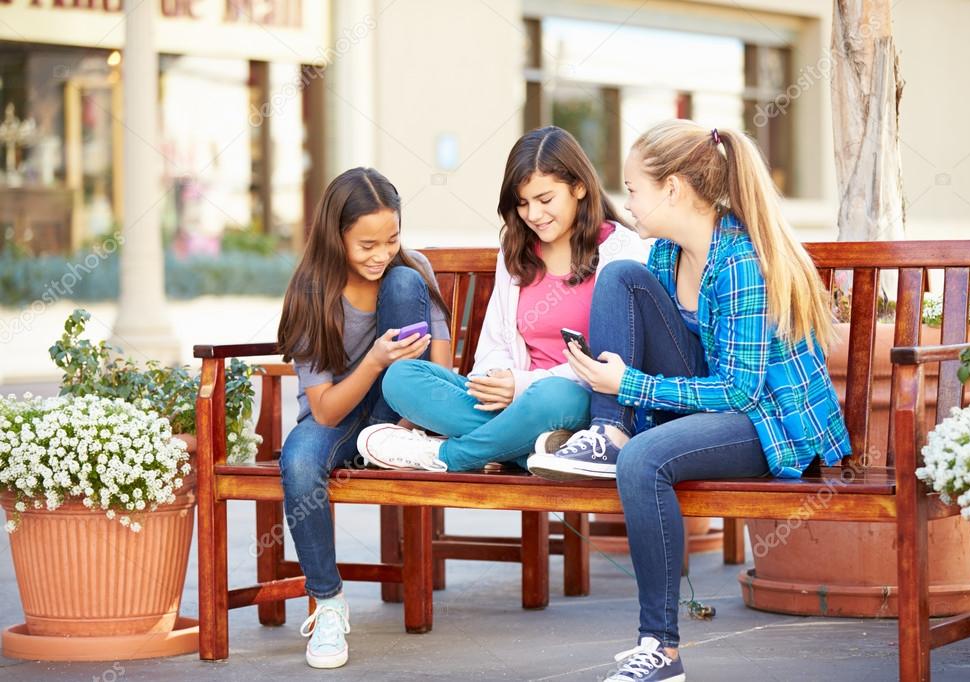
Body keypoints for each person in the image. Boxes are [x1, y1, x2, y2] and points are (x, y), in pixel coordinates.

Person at [527, 121, 851, 681]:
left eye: (633, 189)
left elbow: (740, 391)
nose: (627, 201)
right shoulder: (663, 257)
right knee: (619, 276)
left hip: (766, 420)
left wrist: (628, 386)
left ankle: (662, 651)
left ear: (673, 189)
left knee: (644, 460)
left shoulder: (742, 262)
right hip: (709, 402)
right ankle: (609, 432)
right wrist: (620, 395)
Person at [356, 126, 648, 472]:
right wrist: (493, 382)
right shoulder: (516, 251)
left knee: (554, 394)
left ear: (579, 187)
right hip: (511, 401)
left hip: (576, 401)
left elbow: (607, 363)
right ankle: (535, 451)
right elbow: (494, 342)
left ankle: (447, 456)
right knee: (401, 378)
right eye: (522, 203)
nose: (533, 215)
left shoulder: (620, 251)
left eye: (545, 199)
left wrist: (522, 386)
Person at [275, 167, 452, 668]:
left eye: (391, 239)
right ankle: (328, 604)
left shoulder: (410, 271)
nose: (381, 255)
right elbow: (326, 408)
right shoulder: (313, 291)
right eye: (367, 244)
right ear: (337, 238)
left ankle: (394, 441)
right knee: (299, 462)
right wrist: (375, 359)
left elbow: (440, 369)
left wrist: (417, 420)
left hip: (402, 419)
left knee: (401, 281)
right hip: (341, 417)